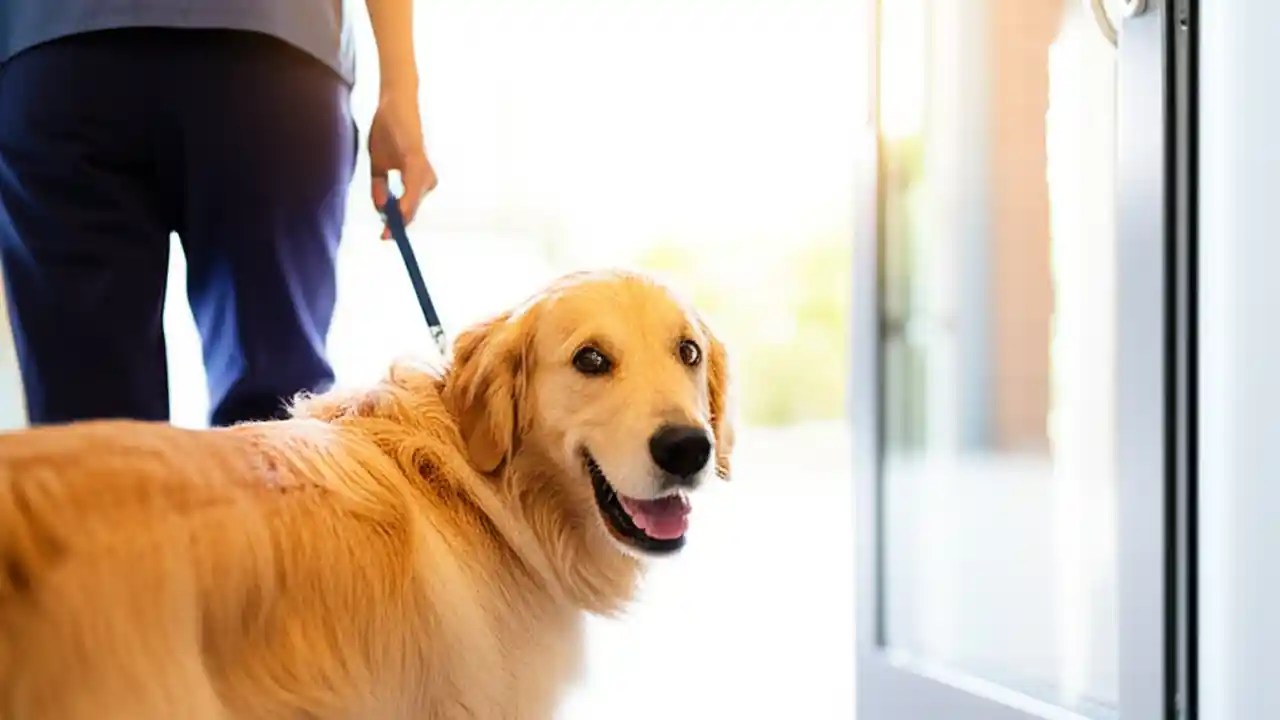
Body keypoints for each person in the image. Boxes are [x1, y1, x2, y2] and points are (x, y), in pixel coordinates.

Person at [0, 1, 437, 427]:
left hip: (55, 47)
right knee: (275, 424)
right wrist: (399, 87)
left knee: (90, 430)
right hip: (272, 49)